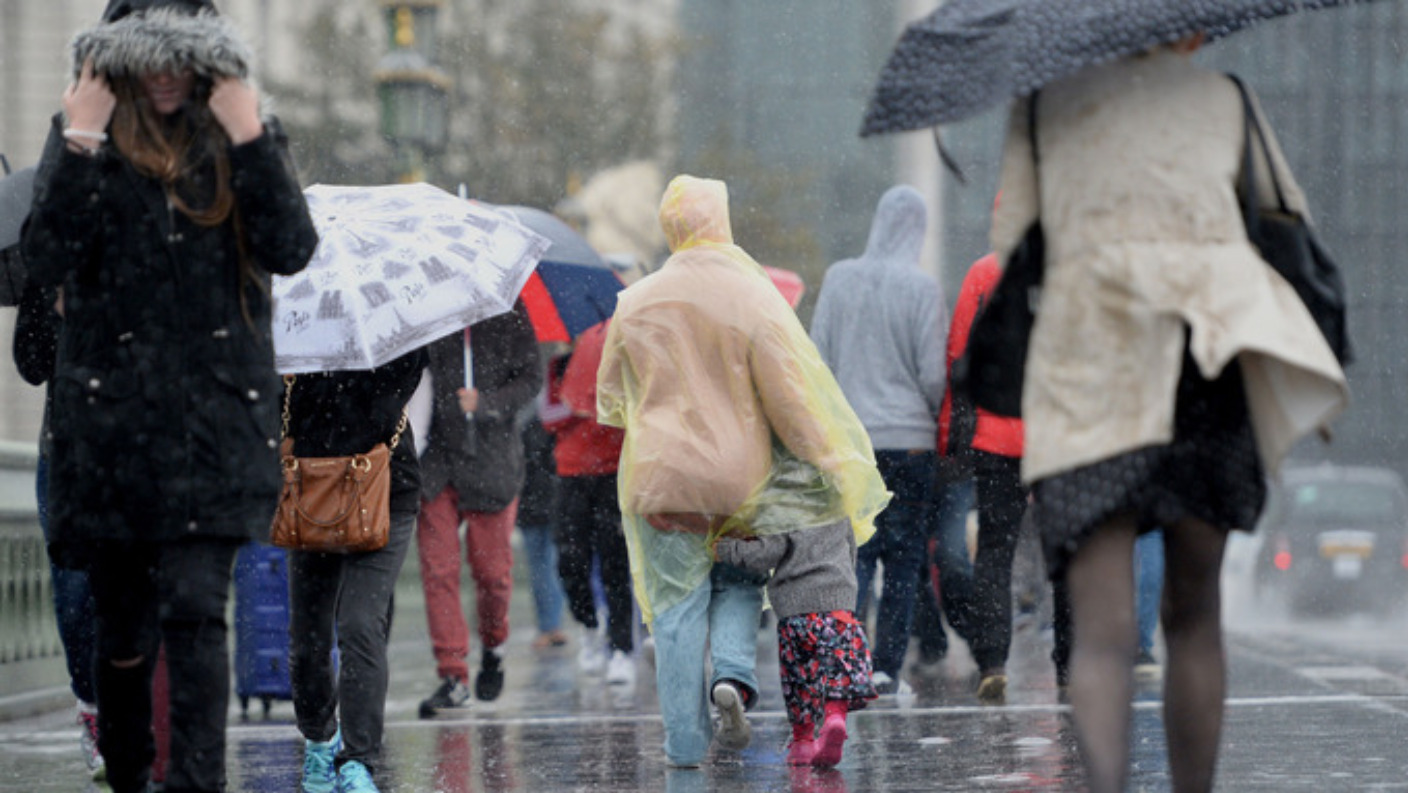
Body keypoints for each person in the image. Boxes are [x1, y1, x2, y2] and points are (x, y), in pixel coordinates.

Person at [990, 33, 1347, 792]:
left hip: (1092, 361)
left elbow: (1012, 245)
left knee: (1101, 630)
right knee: (1194, 611)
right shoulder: (1224, 99)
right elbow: (1288, 219)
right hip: (1208, 354)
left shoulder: (1045, 105)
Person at [20, 3, 319, 791]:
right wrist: (80, 136)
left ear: (208, 61)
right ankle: (129, 775)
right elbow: (45, 255)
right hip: (110, 431)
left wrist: (250, 133)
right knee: (121, 633)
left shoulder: (243, 138)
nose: (162, 75)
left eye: (180, 58)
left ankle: (196, 783)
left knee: (194, 616)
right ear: (112, 63)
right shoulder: (86, 141)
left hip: (212, 425)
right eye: (144, 59)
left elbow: (292, 246)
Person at [597, 175, 889, 768]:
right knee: (736, 580)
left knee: (675, 612)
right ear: (721, 220)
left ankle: (683, 741)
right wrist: (828, 461)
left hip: (660, 478)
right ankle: (731, 675)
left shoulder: (635, 302)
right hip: (738, 479)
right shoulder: (753, 296)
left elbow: (609, 399)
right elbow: (790, 400)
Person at [809, 184, 946, 695]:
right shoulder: (922, 288)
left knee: (857, 555)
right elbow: (933, 375)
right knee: (905, 558)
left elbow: (817, 358)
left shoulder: (839, 279)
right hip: (910, 441)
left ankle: (850, 660)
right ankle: (887, 668)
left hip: (851, 444)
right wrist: (931, 418)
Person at [284, 350, 426, 793]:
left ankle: (358, 761)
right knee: (308, 637)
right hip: (313, 493)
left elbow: (388, 401)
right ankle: (318, 740)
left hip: (384, 490)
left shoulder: (390, 331)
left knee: (360, 624)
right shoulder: (293, 338)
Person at [946, 251, 1071, 704]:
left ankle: (992, 662)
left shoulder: (982, 272)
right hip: (1057, 437)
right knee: (1065, 554)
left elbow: (959, 352)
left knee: (995, 552)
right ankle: (1069, 665)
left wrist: (956, 430)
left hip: (996, 438)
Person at [415, 303, 541, 716]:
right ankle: (452, 674)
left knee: (492, 576)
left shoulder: (508, 309)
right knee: (438, 571)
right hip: (436, 463)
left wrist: (486, 402)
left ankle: (493, 646)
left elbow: (531, 379)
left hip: (492, 464)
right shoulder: (426, 309)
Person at [12, 282, 102, 780]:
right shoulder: (49, 265)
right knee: (73, 593)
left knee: (125, 590)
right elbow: (30, 365)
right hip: (64, 453)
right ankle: (89, 703)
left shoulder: (141, 252)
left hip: (132, 449)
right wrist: (54, 309)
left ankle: (128, 718)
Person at [713, 518, 877, 768]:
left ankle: (802, 742)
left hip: (795, 612)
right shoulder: (837, 509)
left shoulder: (785, 510)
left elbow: (768, 552)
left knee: (800, 680)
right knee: (837, 671)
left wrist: (728, 550)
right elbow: (851, 551)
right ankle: (834, 717)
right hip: (837, 610)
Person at [542, 320, 637, 685]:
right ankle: (588, 624)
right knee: (570, 560)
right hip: (570, 474)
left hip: (613, 472)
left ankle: (621, 648)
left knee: (616, 563)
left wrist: (600, 399)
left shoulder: (620, 362)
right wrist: (579, 401)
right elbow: (548, 418)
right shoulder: (559, 367)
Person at [517, 392, 570, 651]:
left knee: (544, 569)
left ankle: (550, 625)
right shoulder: (542, 428)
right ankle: (549, 625)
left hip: (542, 509)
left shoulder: (532, 428)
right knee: (544, 570)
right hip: (539, 509)